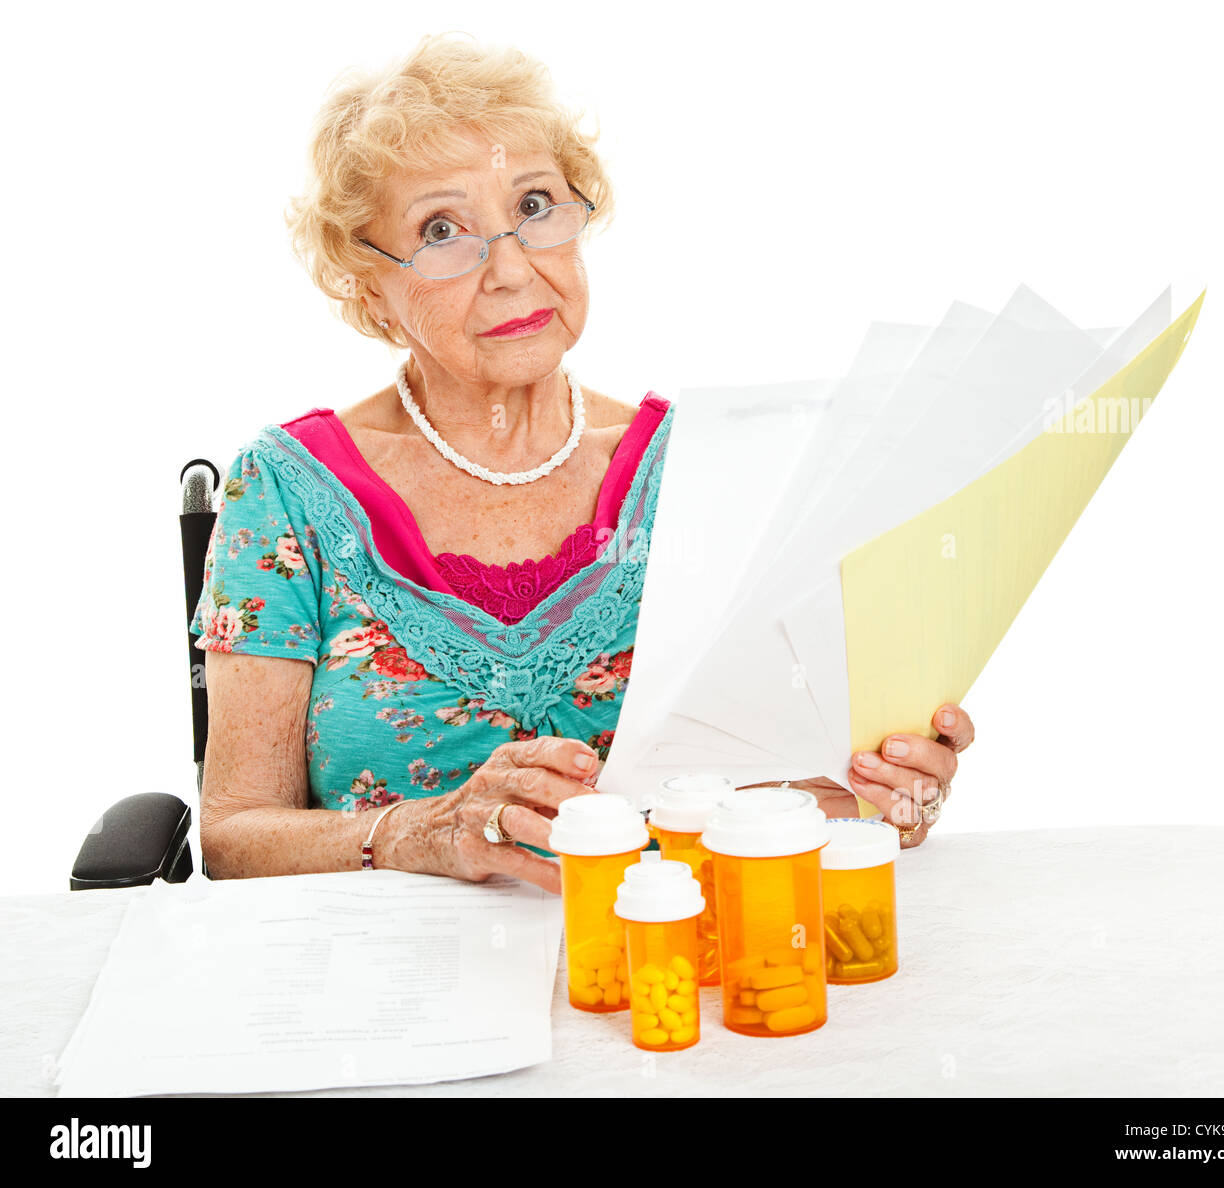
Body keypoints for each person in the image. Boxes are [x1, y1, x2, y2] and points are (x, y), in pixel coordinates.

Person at [190, 33, 974, 894]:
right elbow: (233, 836)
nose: (511, 269)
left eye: (534, 205)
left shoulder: (703, 470)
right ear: (368, 285)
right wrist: (423, 831)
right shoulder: (287, 488)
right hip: (385, 971)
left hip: (663, 957)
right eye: (442, 229)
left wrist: (877, 791)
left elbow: (783, 791)